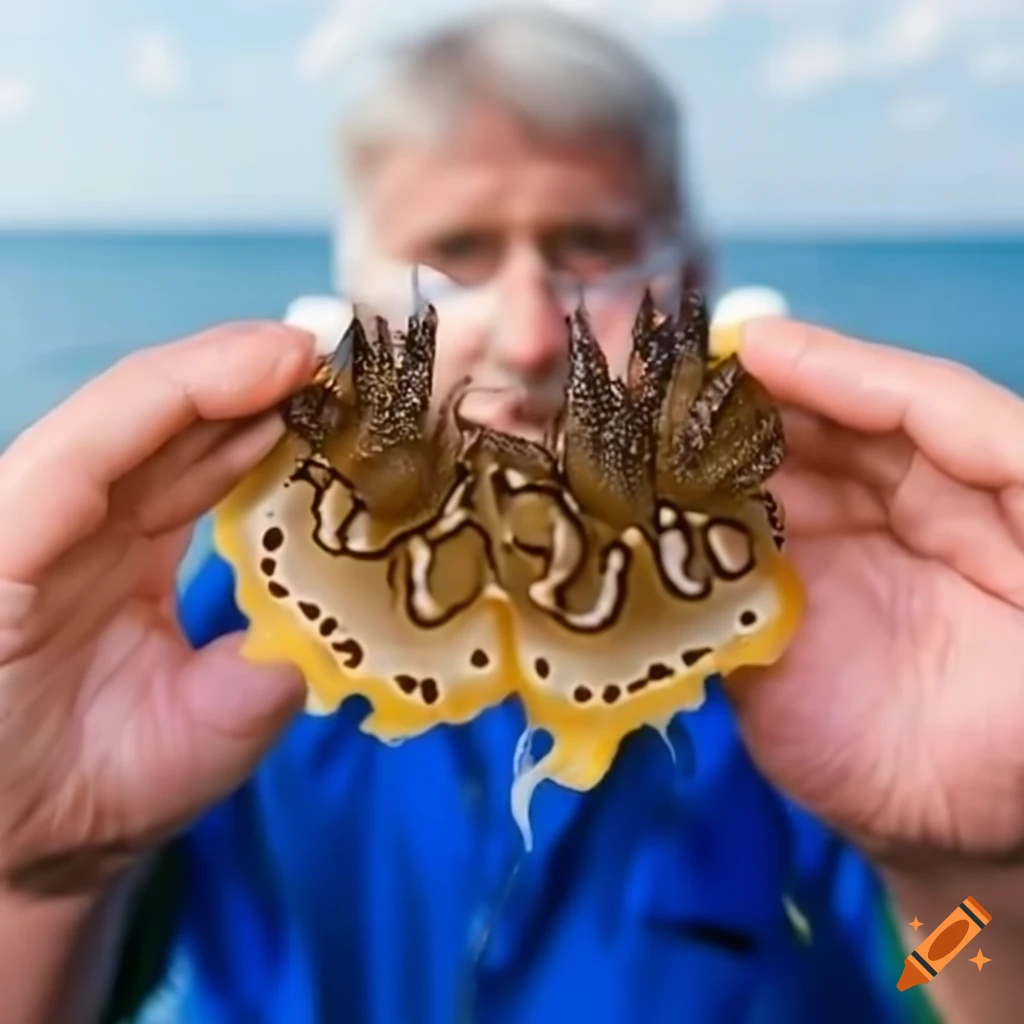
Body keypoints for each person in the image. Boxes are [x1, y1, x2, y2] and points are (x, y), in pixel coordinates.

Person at [2, 7, 1024, 1023]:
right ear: (361, 312)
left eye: (591, 248)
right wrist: (38, 877)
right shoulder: (237, 621)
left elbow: (918, 973)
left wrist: (972, 878)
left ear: (695, 290)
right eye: (457, 256)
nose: (531, 338)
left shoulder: (816, 629)